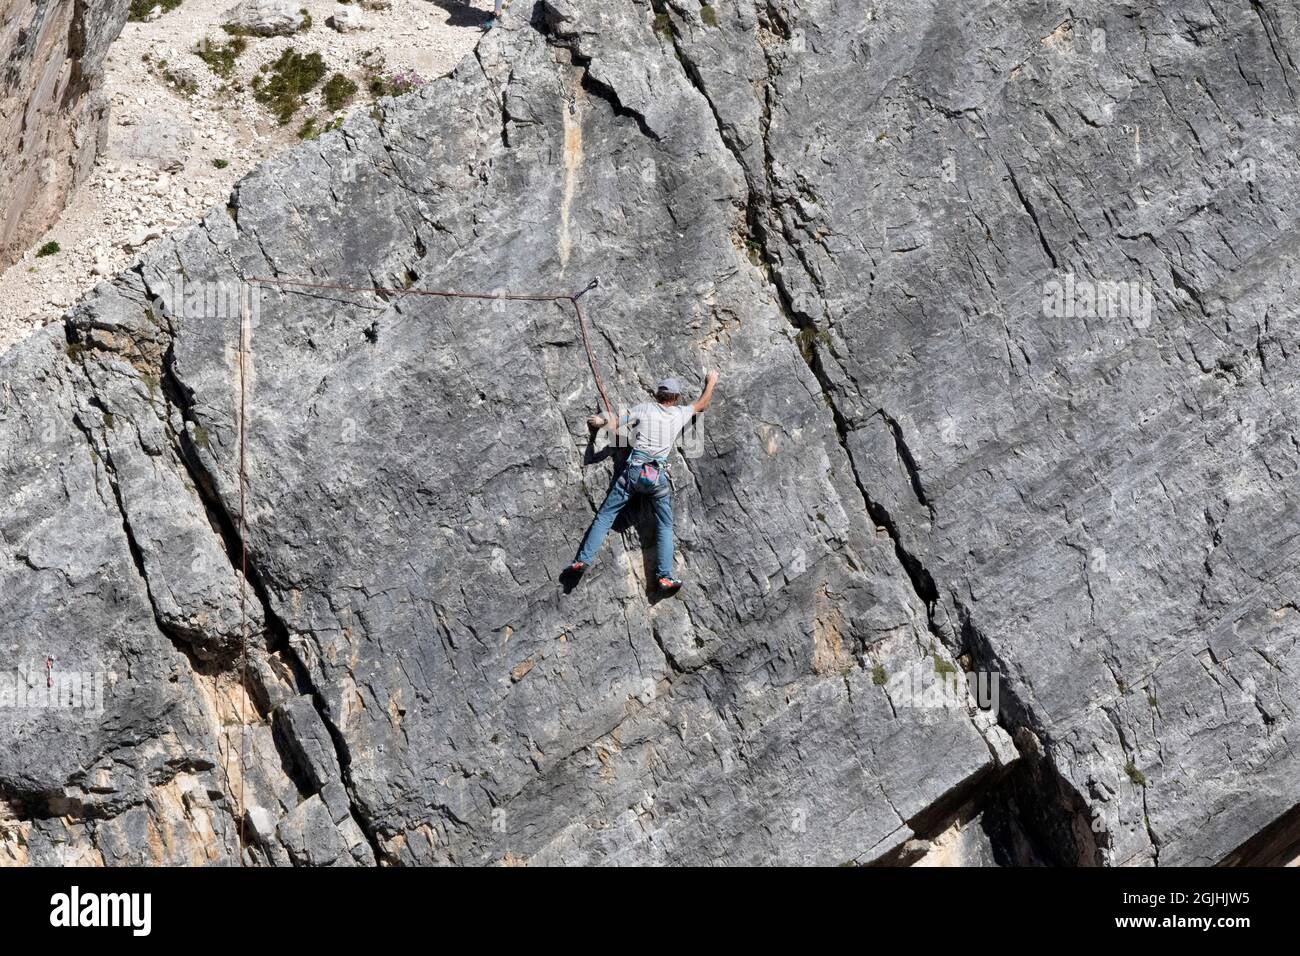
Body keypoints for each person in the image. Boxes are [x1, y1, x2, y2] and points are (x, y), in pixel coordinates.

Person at [570, 371, 719, 592]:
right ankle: (665, 577)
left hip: (633, 472)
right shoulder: (680, 413)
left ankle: (583, 560)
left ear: (657, 394)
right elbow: (702, 404)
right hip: (656, 478)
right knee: (665, 525)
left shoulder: (645, 408)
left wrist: (600, 421)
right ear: (676, 397)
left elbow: (613, 425)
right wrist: (712, 381)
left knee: (605, 516)